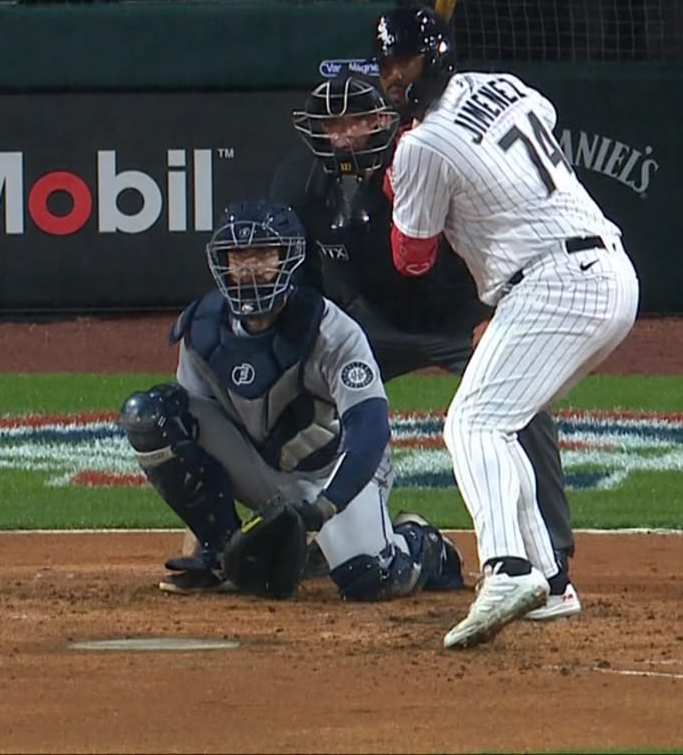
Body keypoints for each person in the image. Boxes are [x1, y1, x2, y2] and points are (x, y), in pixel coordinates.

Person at [374, 6, 640, 650]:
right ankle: (549, 577)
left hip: (558, 281)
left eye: (401, 63)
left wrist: (396, 180)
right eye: (385, 66)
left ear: (429, 59)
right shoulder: (503, 84)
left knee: (474, 423)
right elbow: (536, 125)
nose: (391, 78)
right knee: (502, 419)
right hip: (600, 269)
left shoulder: (422, 145)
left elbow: (411, 258)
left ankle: (507, 568)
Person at [272, 69, 579, 621]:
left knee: (522, 409)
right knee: (292, 388)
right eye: (332, 123)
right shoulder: (300, 182)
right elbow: (303, 283)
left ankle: (551, 554)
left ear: (381, 122)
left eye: (357, 121)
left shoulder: (423, 158)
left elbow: (493, 233)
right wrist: (307, 352)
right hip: (372, 324)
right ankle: (294, 529)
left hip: (461, 316)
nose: (343, 136)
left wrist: (497, 312)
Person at [117, 199, 465, 602]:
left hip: (335, 472)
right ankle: (224, 552)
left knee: (369, 579)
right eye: (239, 256)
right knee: (154, 415)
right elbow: (194, 439)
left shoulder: (331, 330)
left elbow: (370, 431)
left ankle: (424, 545)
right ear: (223, 263)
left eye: (263, 255)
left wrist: (324, 508)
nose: (250, 269)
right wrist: (200, 539)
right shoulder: (202, 328)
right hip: (263, 468)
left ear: (288, 259)